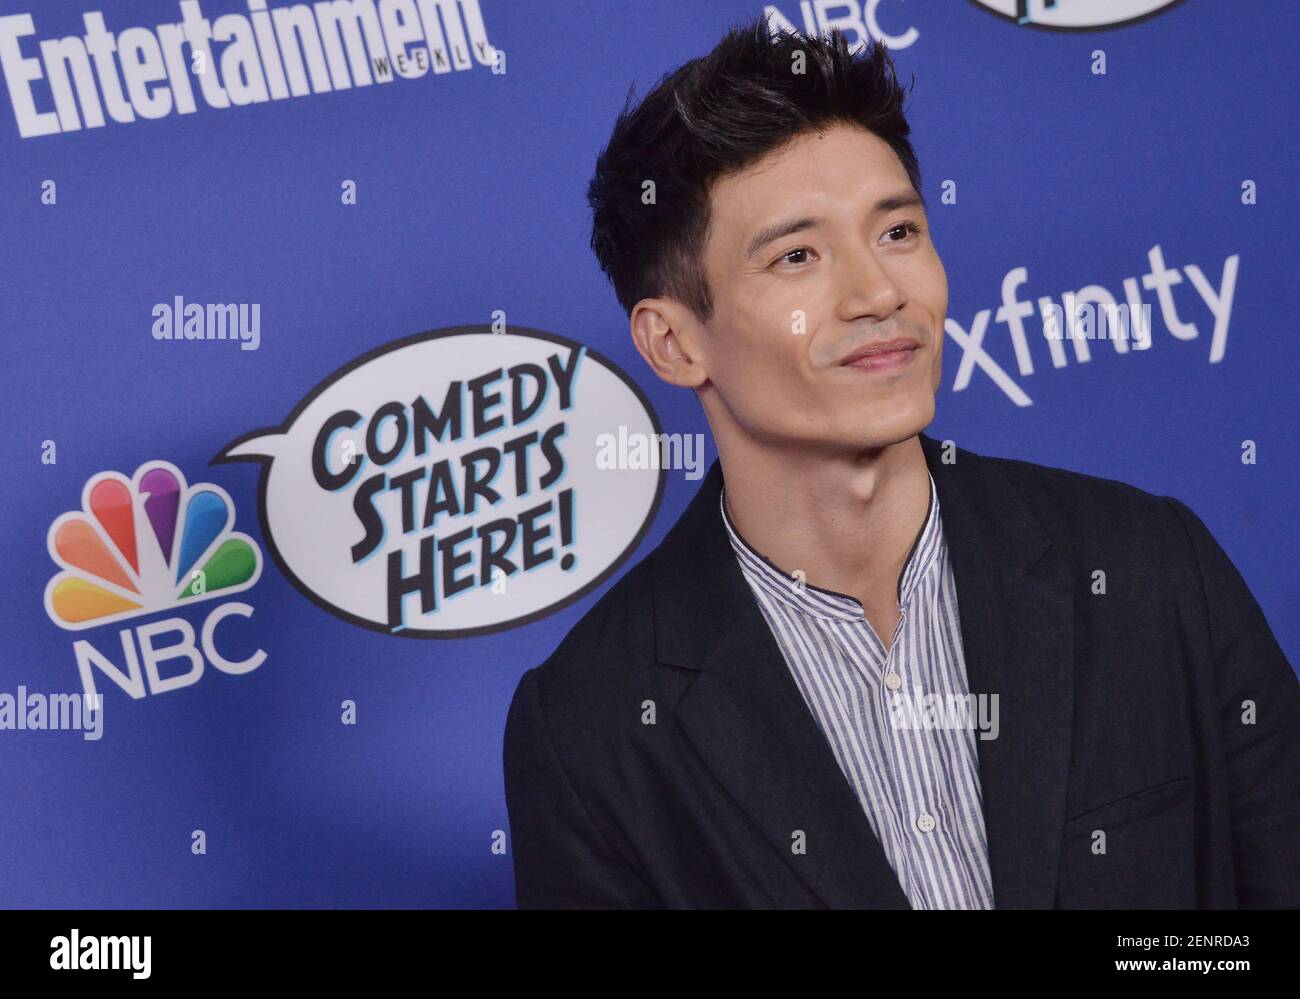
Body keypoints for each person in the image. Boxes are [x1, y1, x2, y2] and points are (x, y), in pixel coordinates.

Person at [501, 18, 1299, 909]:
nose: (880, 292)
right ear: (676, 343)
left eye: (898, 233)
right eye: (798, 256)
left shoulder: (1150, 566)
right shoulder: (590, 729)